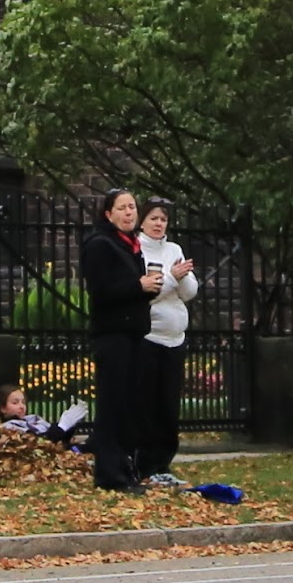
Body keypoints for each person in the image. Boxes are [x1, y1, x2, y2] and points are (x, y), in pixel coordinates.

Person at [78, 187, 162, 493]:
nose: (129, 213)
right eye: (122, 208)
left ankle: (126, 470)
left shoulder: (131, 246)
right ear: (108, 213)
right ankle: (109, 474)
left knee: (129, 405)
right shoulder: (101, 245)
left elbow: (130, 289)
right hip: (112, 335)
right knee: (113, 406)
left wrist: (145, 289)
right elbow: (101, 290)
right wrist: (136, 285)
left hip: (133, 333)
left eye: (132, 207)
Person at [134, 196, 199, 486]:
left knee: (169, 404)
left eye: (163, 220)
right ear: (143, 221)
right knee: (147, 404)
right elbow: (149, 292)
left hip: (175, 339)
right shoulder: (138, 250)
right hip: (150, 339)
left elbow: (190, 291)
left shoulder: (173, 249)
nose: (159, 224)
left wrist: (179, 278)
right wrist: (171, 278)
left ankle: (165, 461)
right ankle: (145, 463)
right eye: (154, 219)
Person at [0, 383, 88, 448]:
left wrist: (69, 427)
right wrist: (62, 426)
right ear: (3, 408)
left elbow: (57, 439)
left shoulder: (33, 419)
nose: (21, 406)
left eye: (23, 402)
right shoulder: (7, 428)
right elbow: (40, 443)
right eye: (15, 403)